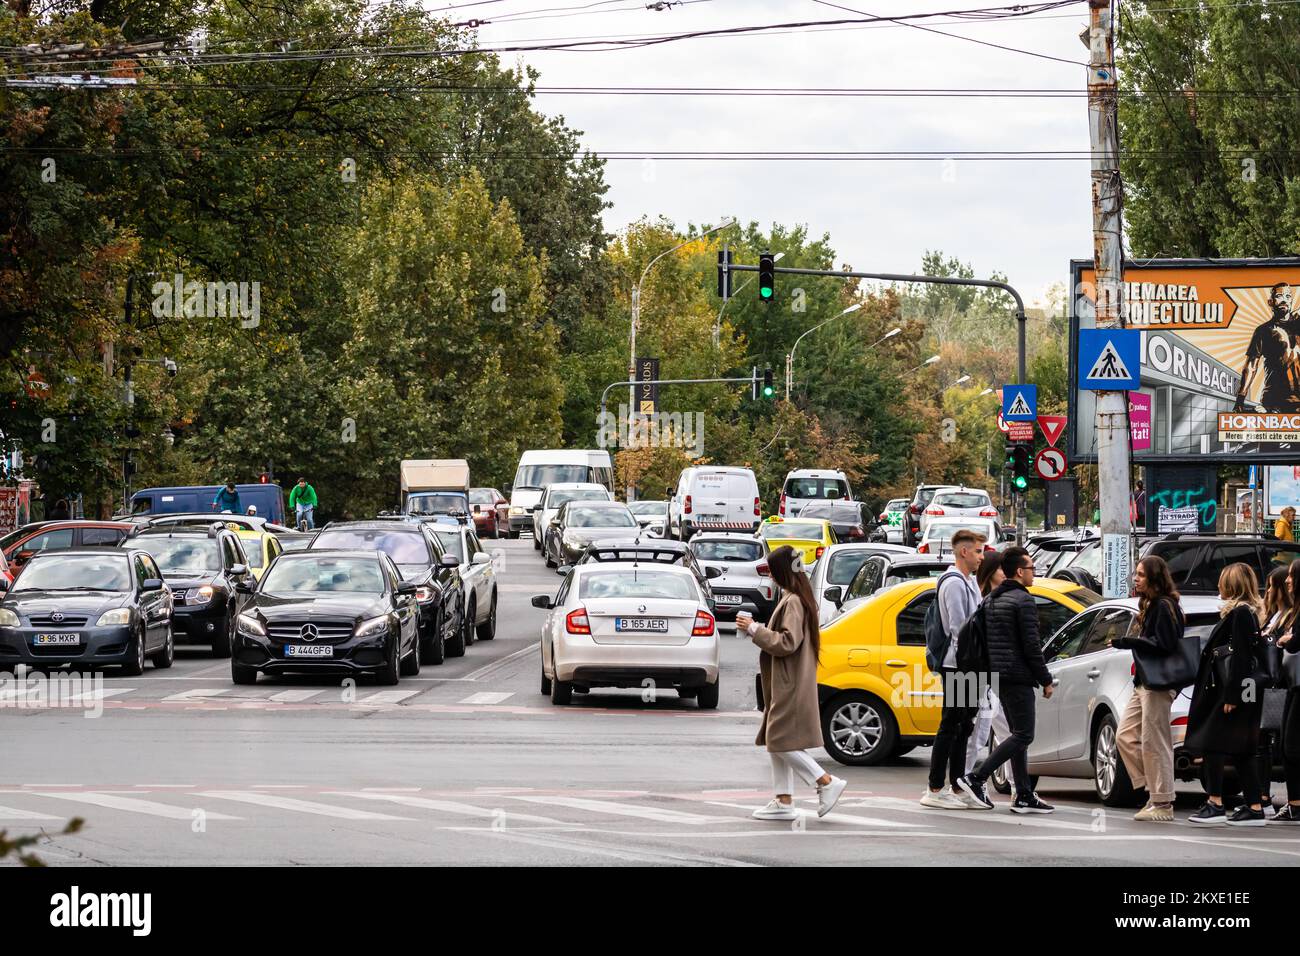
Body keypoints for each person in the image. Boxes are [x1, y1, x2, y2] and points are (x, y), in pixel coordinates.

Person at [737, 545, 847, 821]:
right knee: (778, 739)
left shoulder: (794, 601)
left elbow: (787, 642)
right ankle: (783, 799)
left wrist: (754, 629)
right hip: (788, 680)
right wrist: (758, 629)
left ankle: (825, 781)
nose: (770, 576)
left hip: (790, 682)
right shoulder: (797, 597)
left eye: (772, 571)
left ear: (782, 572)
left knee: (779, 741)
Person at [957, 546, 1056, 814]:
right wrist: (1045, 679)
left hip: (999, 676)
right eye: (1032, 568)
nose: (1035, 573)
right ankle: (977, 777)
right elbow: (1031, 646)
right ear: (1020, 571)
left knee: (1017, 735)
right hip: (1019, 675)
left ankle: (1023, 793)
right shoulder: (1023, 601)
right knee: (1024, 735)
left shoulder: (991, 600)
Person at [1186, 563, 1268, 826]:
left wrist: (1232, 696)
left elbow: (1242, 657)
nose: (1218, 585)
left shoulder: (1241, 614)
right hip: (1240, 693)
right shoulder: (1244, 613)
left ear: (1231, 585)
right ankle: (1254, 807)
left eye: (1222, 581)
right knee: (1242, 749)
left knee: (1213, 745)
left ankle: (1216, 803)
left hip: (1232, 694)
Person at [1111, 555, 1184, 822]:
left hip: (1158, 684)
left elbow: (1165, 644)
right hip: (1144, 683)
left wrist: (1130, 641)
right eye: (1136, 574)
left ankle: (1163, 802)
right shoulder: (1152, 604)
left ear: (1154, 578)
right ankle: (1151, 788)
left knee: (1156, 743)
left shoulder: (1164, 606)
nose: (1136, 578)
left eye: (1141, 574)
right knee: (1125, 736)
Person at [921, 529, 987, 810]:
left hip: (969, 664)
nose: (982, 557)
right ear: (964, 552)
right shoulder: (954, 583)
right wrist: (969, 665)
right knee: (952, 724)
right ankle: (935, 787)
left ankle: (957, 784)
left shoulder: (969, 581)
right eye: (978, 551)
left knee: (964, 725)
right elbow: (960, 628)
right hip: (958, 664)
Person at [967, 553, 1012, 783]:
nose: (1005, 572)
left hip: (991, 676)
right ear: (990, 570)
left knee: (1006, 733)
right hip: (976, 675)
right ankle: (961, 783)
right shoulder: (978, 597)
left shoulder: (993, 597)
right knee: (974, 734)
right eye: (1001, 568)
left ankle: (1018, 788)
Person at [1234, 281, 1300, 412]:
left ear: (1292, 301)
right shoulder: (1263, 331)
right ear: (1270, 302)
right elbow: (1251, 366)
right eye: (1279, 296)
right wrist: (1240, 399)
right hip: (1274, 401)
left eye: (1287, 297)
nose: (1284, 300)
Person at [1257, 566, 1291, 818]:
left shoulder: (1289, 616)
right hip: (1267, 686)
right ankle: (1262, 795)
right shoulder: (1272, 615)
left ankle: (1267, 798)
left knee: (1277, 744)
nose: (1267, 591)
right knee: (1266, 742)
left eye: (1271, 586)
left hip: (1282, 686)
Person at [1274, 559, 1300, 824]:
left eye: (1292, 576)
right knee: (1286, 746)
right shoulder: (1294, 611)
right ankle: (1294, 803)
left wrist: (1287, 639)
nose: (1288, 580)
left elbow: (1294, 644)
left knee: (1291, 747)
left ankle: (1295, 804)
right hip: (1293, 684)